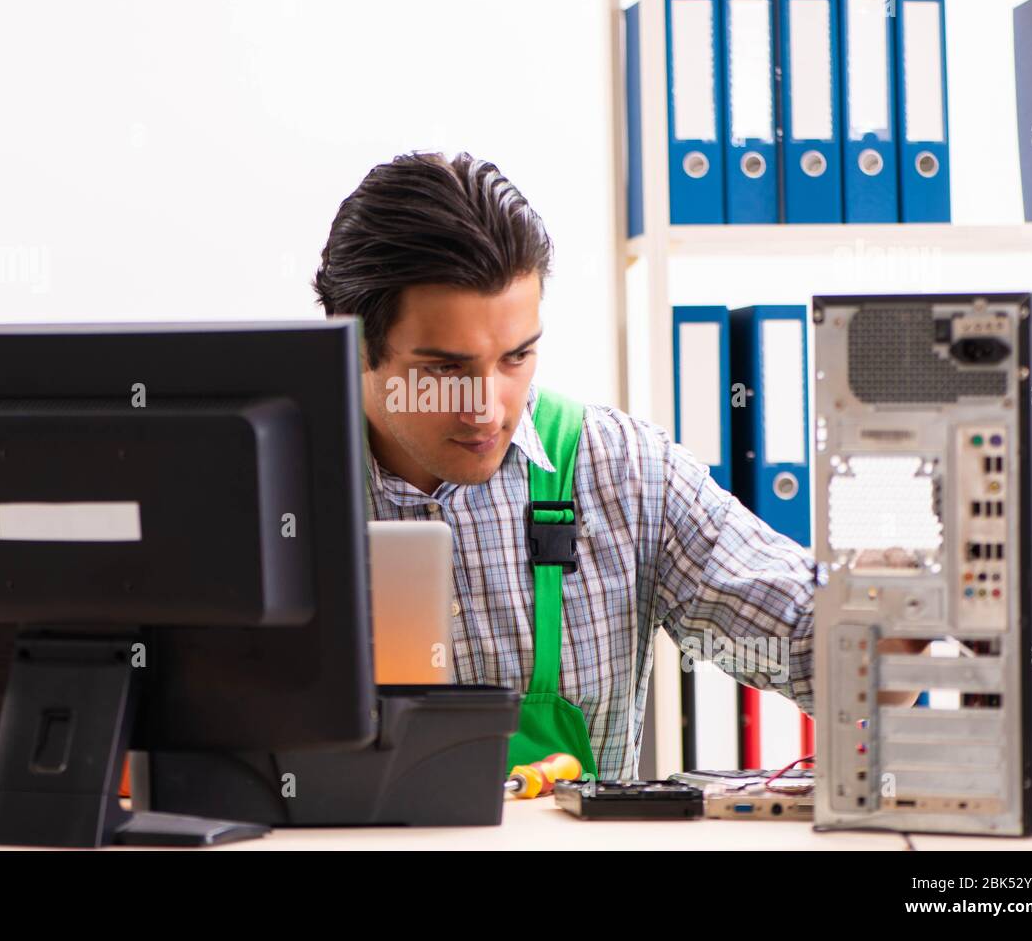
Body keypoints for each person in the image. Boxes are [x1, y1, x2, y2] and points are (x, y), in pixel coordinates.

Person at [312, 150, 822, 780]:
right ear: (353, 340)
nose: (488, 409)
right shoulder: (269, 492)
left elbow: (810, 649)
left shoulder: (625, 471)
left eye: (516, 357)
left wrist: (909, 614)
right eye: (446, 369)